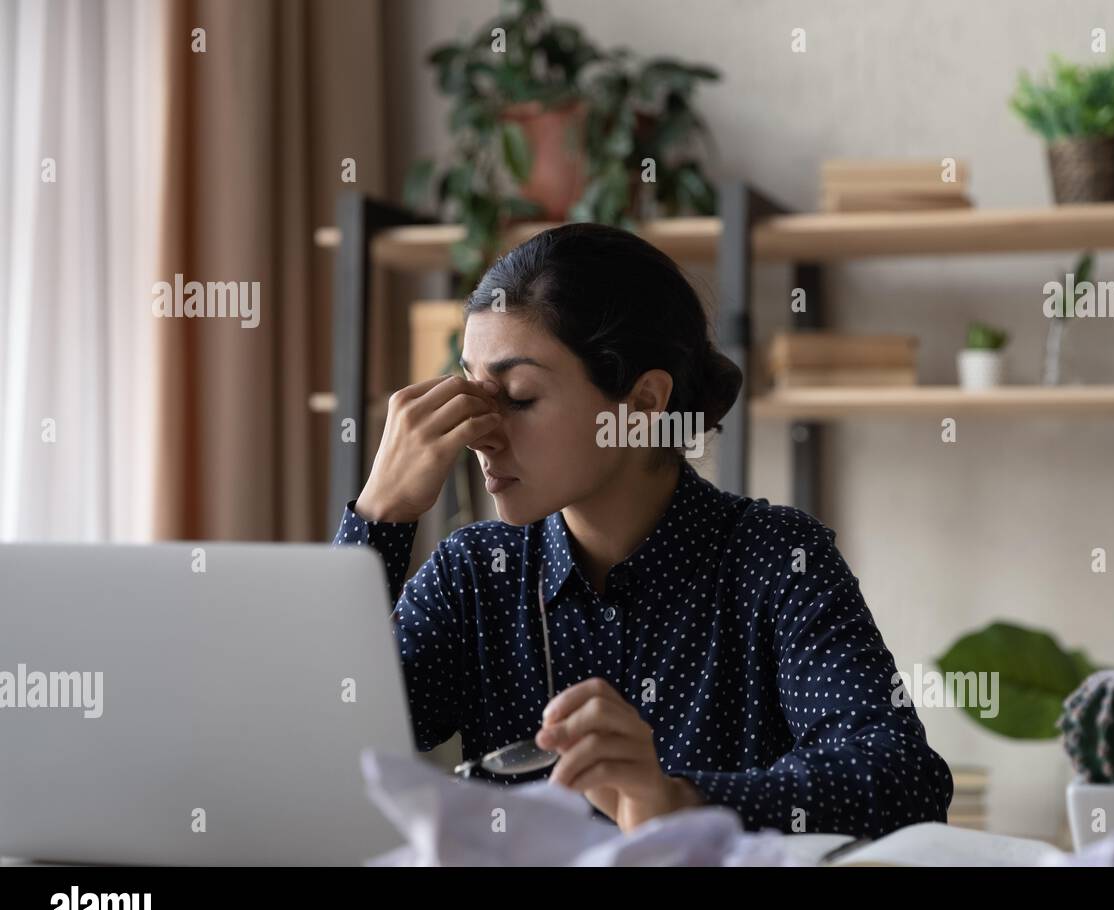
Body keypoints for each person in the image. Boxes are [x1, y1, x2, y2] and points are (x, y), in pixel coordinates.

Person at [333, 221, 953, 837]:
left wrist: (676, 800)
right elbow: (320, 743)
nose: (481, 435)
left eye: (518, 396)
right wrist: (380, 518)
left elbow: (902, 780)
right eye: (473, 393)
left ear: (645, 405)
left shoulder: (775, 559)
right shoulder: (473, 573)